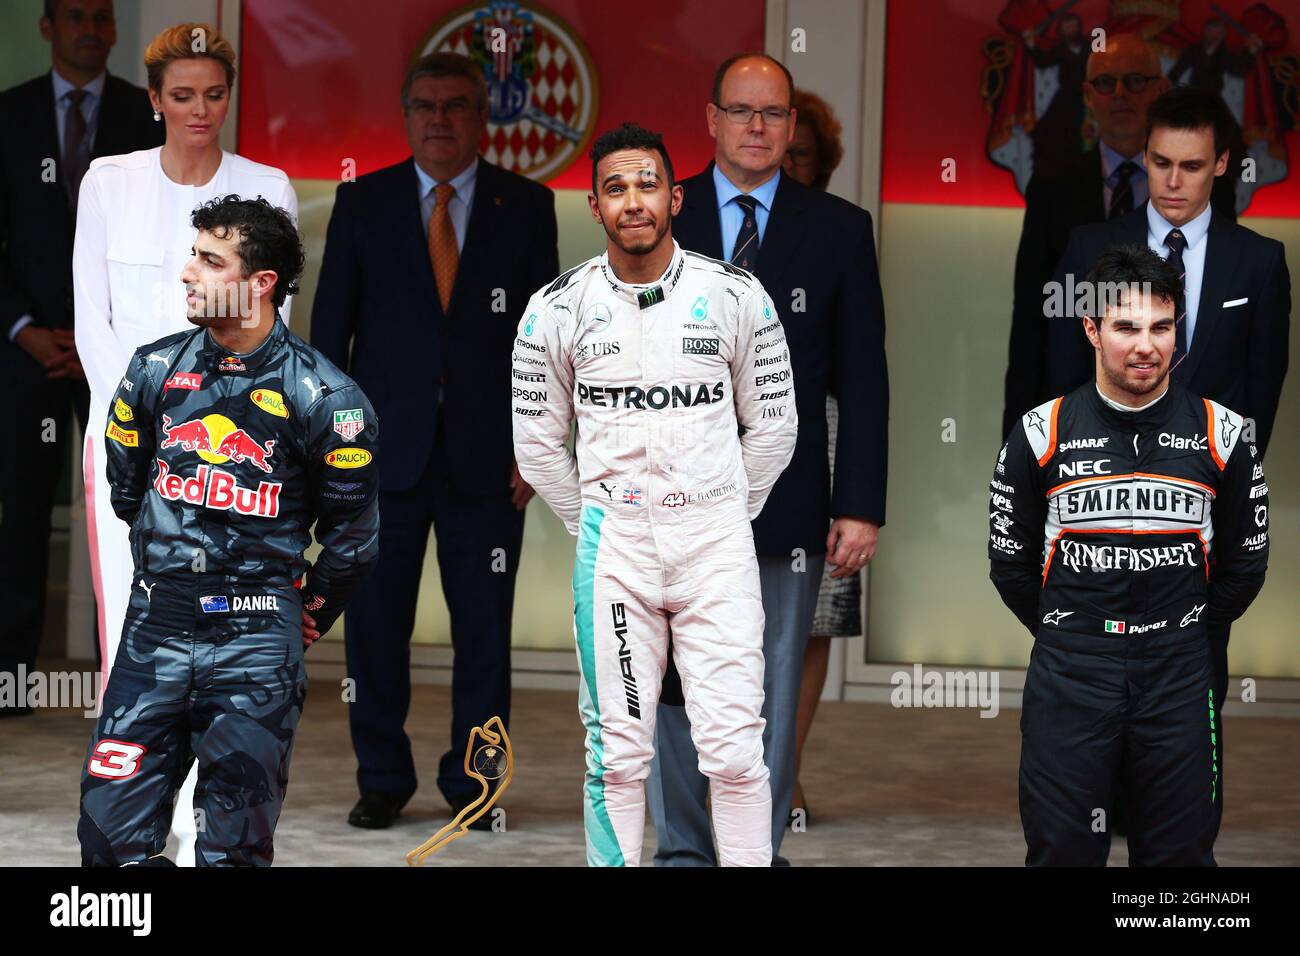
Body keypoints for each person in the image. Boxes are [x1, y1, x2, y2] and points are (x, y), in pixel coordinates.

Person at [513, 123, 798, 866]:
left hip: (716, 546)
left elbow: (774, 426)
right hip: (615, 552)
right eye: (615, 189)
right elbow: (537, 445)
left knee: (736, 751)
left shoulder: (737, 294)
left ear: (674, 197)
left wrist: (727, 513)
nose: (633, 201)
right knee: (617, 755)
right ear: (595, 206)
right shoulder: (555, 308)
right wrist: (595, 521)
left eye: (646, 185)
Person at [79, 195, 378, 866]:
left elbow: (353, 541)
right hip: (154, 632)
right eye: (193, 254)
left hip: (256, 644)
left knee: (232, 852)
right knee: (108, 840)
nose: (188, 272)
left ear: (259, 282)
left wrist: (305, 614)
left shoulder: (324, 396)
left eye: (210, 260)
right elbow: (128, 490)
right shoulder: (152, 370)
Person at [649, 53, 888, 866]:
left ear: (792, 127)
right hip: (666, 499)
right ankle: (683, 850)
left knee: (773, 685)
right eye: (742, 111)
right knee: (675, 683)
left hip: (788, 505)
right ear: (711, 120)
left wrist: (858, 504)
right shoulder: (659, 214)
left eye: (774, 115)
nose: (758, 127)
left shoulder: (839, 228)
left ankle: (752, 850)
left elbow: (865, 380)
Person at [311, 52, 558, 831]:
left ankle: (474, 785)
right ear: (406, 114)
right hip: (383, 461)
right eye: (425, 105)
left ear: (483, 116)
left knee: (484, 633)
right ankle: (382, 777)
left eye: (456, 105)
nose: (440, 119)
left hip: (489, 463)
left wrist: (538, 443)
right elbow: (327, 341)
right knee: (376, 631)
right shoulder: (363, 202)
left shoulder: (527, 206)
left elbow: (545, 342)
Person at [73, 21, 297, 864]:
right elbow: (92, 322)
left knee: (224, 637)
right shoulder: (107, 182)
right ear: (155, 97)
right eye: (182, 95)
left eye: (214, 93)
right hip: (128, 448)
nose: (200, 109)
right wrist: (152, 424)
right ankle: (136, 826)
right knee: (133, 635)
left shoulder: (266, 186)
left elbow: (272, 324)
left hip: (233, 454)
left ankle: (209, 826)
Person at [991, 245, 1268, 866]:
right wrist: (1075, 632)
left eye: (1162, 328)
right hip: (1071, 670)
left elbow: (1246, 565)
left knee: (1177, 858)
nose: (1145, 346)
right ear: (1091, 329)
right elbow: (1010, 565)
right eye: (1126, 327)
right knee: (1062, 850)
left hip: (1178, 671)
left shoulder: (1225, 434)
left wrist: (1181, 628)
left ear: (1179, 330)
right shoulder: (1041, 431)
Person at [0, 0, 162, 718]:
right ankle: (10, 681)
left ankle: (121, 683)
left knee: (128, 513)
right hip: (22, 350)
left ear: (114, 29)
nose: (90, 29)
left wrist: (104, 335)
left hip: (119, 352)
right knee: (20, 514)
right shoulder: (7, 114)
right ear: (48, 26)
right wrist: (24, 327)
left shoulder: (145, 113)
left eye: (102, 16)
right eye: (74, 16)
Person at [1002, 34, 1237, 439]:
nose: (1121, 94)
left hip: (1192, 434)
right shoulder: (1052, 187)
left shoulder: (1212, 187)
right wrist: (1021, 447)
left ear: (1161, 89)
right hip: (1082, 427)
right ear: (1088, 95)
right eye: (1107, 84)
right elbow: (1032, 323)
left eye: (1136, 80)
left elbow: (1230, 327)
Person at [780, 88, 854, 825]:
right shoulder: (705, 221)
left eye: (801, 153)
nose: (783, 159)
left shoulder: (840, 233)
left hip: (823, 434)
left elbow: (863, 367)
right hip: (723, 443)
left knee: (814, 619)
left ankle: (786, 772)